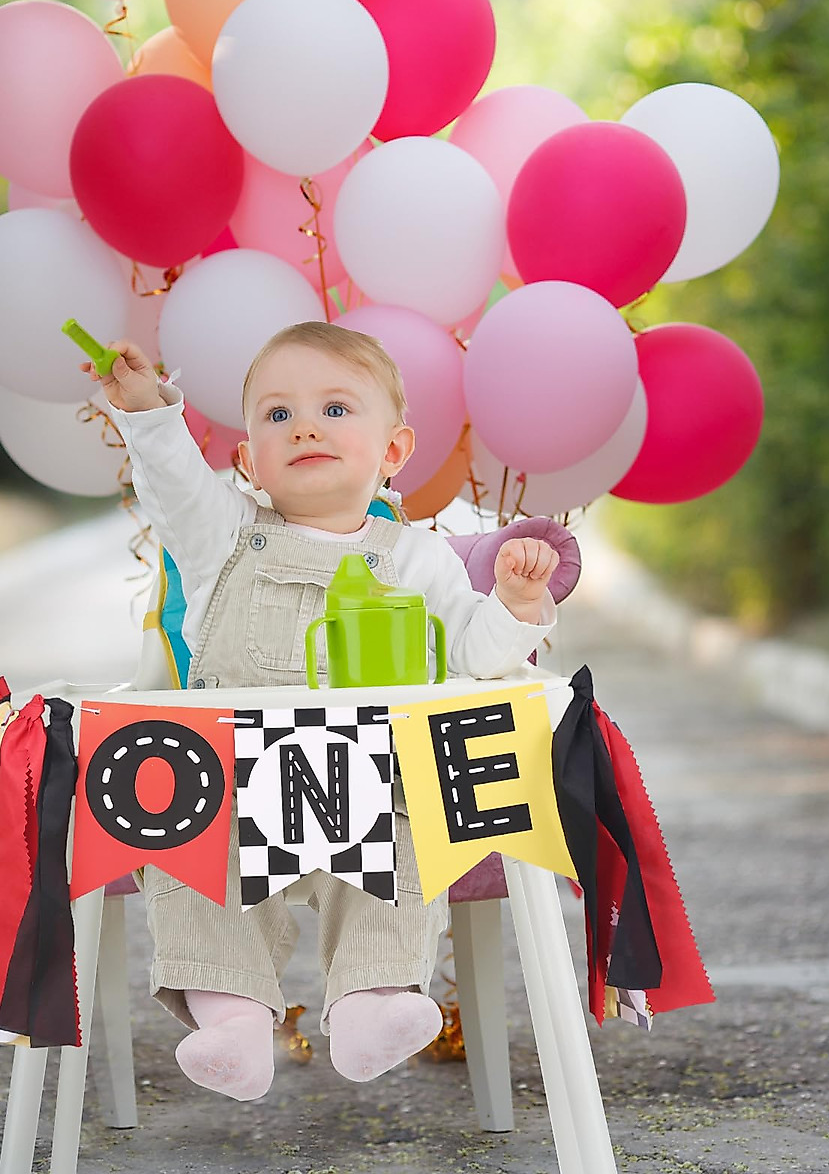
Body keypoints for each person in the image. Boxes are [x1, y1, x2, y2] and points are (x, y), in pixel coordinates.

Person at [84, 321, 559, 1101]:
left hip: (371, 796)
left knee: (414, 837)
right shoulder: (223, 538)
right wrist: (145, 410)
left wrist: (517, 600)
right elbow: (171, 481)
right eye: (277, 416)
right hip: (234, 797)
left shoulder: (416, 558)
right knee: (177, 834)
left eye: (336, 408)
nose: (304, 425)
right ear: (247, 462)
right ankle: (232, 1016)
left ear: (394, 452)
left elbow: (477, 659)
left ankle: (373, 1001)